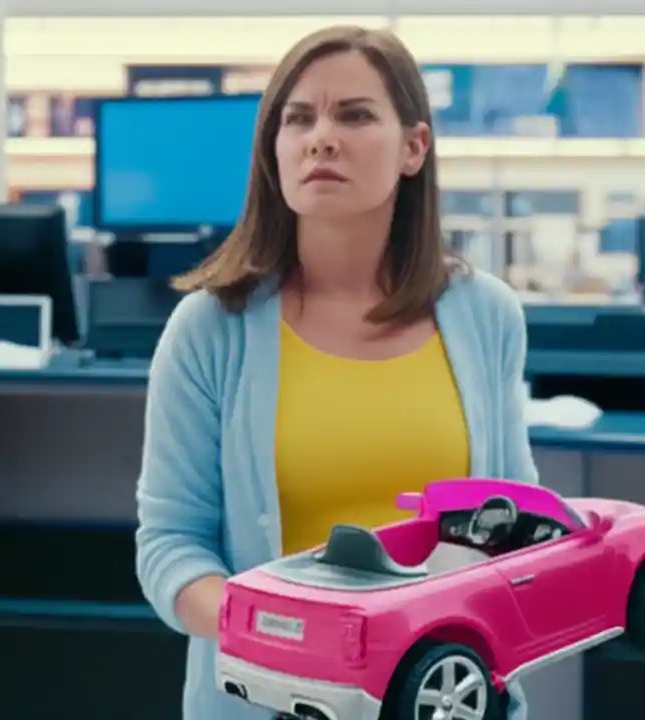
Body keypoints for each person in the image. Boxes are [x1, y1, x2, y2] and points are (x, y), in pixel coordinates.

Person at [134, 24, 538, 720]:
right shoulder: (211, 329)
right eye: (298, 118)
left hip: (449, 699)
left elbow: (516, 520)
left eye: (354, 115)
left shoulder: (485, 315)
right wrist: (290, 640)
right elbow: (170, 545)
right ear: (275, 150)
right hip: (275, 700)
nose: (321, 137)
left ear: (414, 146)